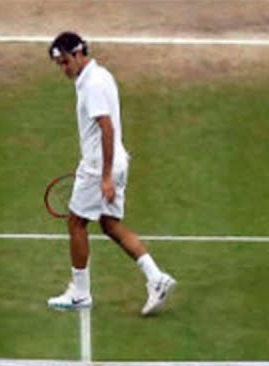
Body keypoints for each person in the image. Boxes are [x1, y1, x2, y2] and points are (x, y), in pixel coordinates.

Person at [46, 31, 177, 316]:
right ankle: (156, 278)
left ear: (79, 54)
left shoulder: (92, 85)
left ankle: (80, 294)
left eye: (66, 62)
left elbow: (107, 128)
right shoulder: (100, 76)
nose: (64, 69)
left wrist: (104, 176)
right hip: (115, 161)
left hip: (100, 167)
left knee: (76, 223)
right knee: (109, 224)